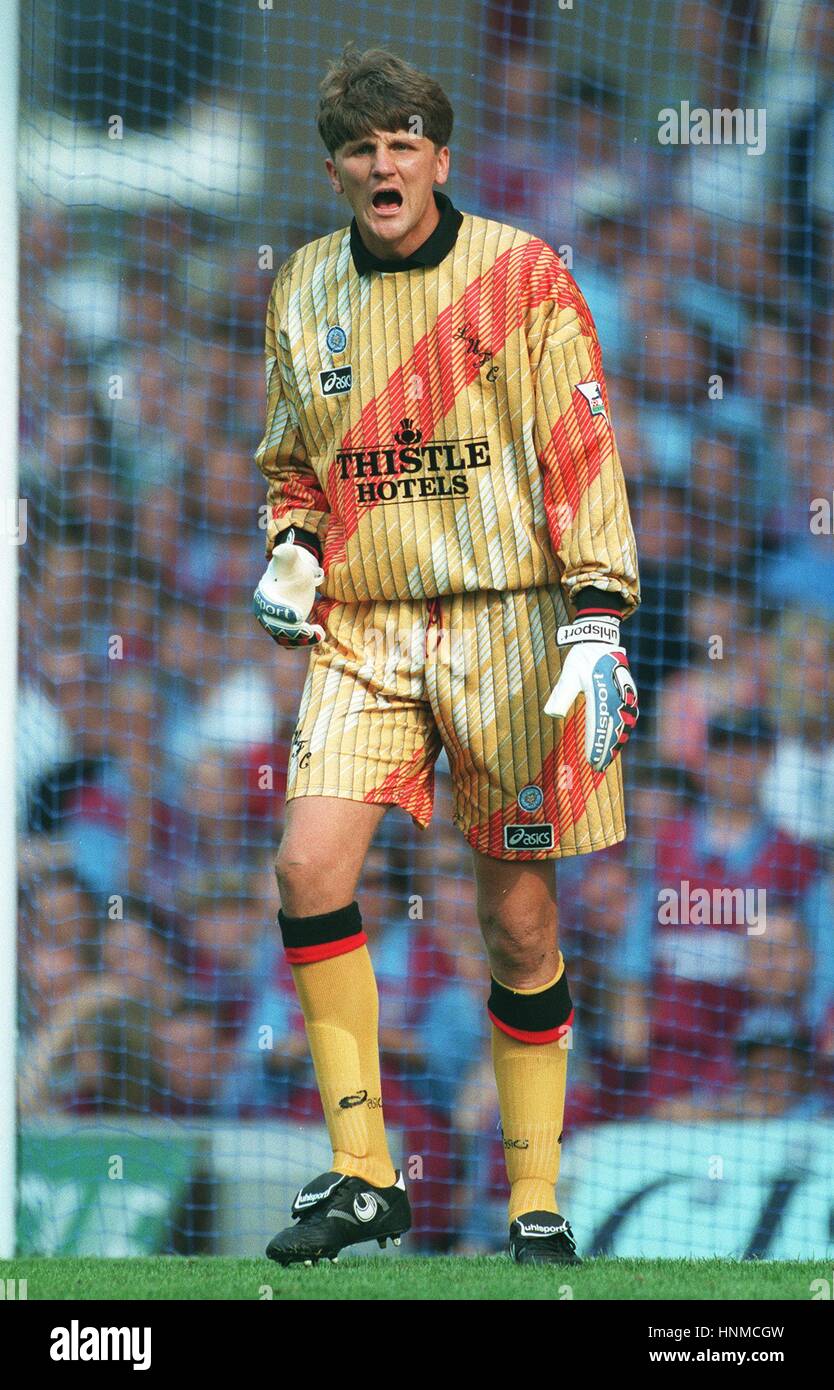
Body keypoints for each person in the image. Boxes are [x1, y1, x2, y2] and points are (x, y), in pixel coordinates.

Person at [252, 45, 640, 1267]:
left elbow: (581, 446)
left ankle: (536, 1201)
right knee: (306, 865)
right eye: (363, 148)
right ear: (336, 170)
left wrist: (596, 616)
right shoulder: (303, 288)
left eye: (404, 143)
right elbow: (294, 468)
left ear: (441, 158)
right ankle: (365, 1173)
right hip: (365, 629)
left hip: (510, 621)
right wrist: (291, 552)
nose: (384, 165)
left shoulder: (522, 276)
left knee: (520, 927)